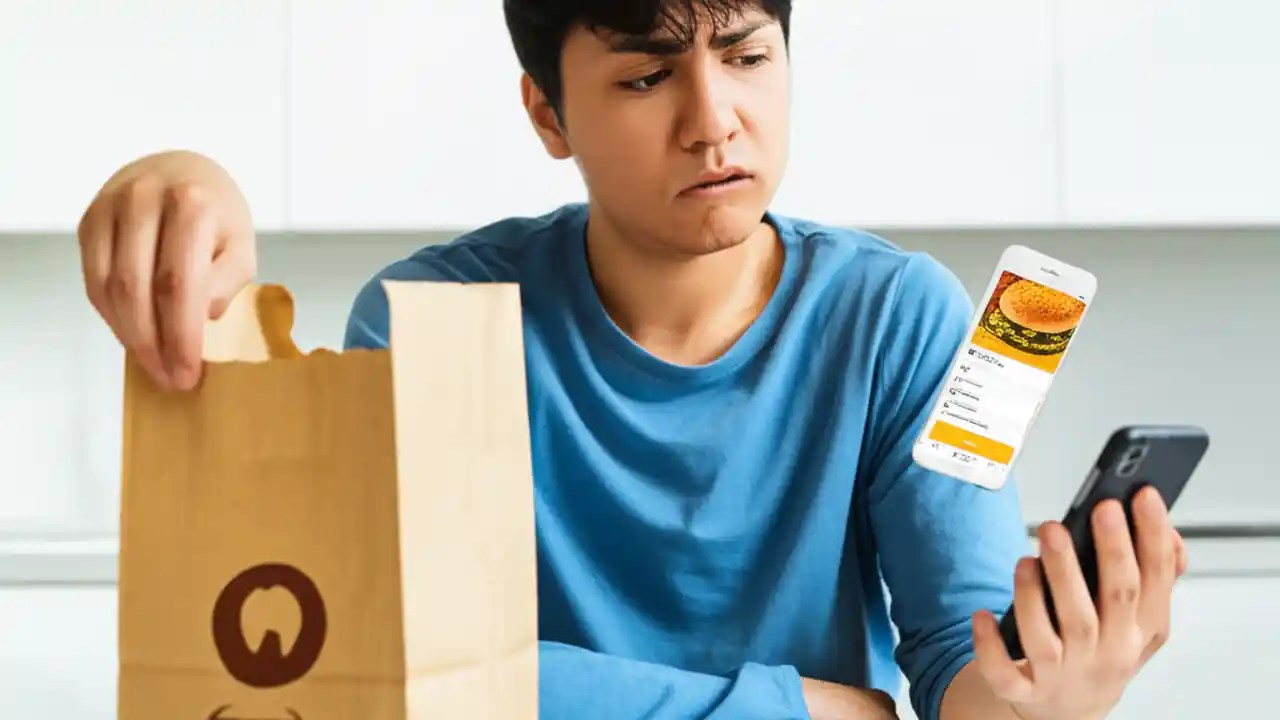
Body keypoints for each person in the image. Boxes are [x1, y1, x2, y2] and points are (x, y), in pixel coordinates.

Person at [75, 1, 1189, 718]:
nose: (715, 121)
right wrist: (803, 712)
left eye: (748, 55)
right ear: (546, 113)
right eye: (646, 77)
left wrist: (1043, 695)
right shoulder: (430, 316)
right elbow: (398, 677)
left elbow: (956, 669)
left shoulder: (898, 316)